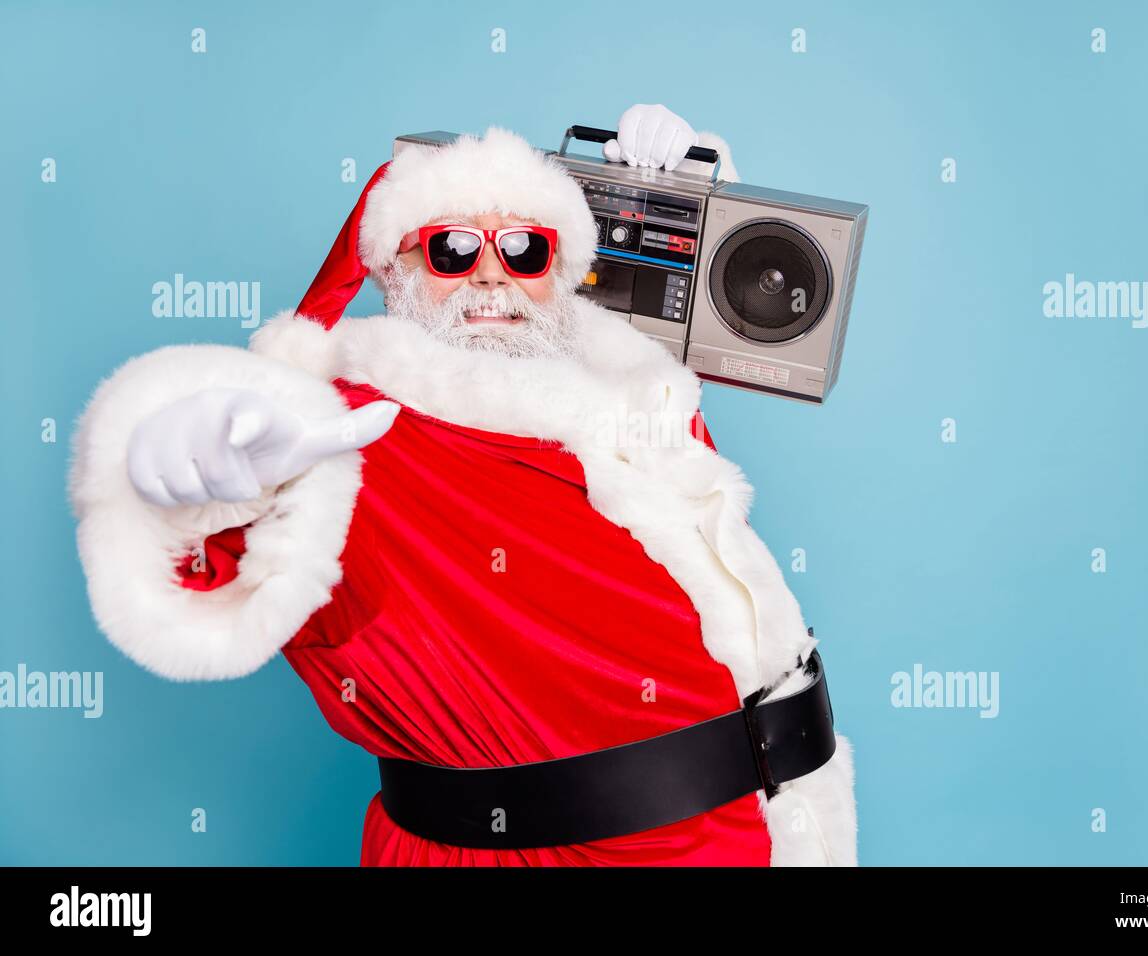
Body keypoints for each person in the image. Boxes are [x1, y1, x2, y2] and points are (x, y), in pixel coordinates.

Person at [70, 103, 858, 866]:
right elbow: (212, 540)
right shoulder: (349, 432)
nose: (491, 276)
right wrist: (178, 473)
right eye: (449, 249)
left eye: (525, 249)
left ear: (564, 271)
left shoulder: (625, 392)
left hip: (768, 830)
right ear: (393, 270)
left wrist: (683, 206)